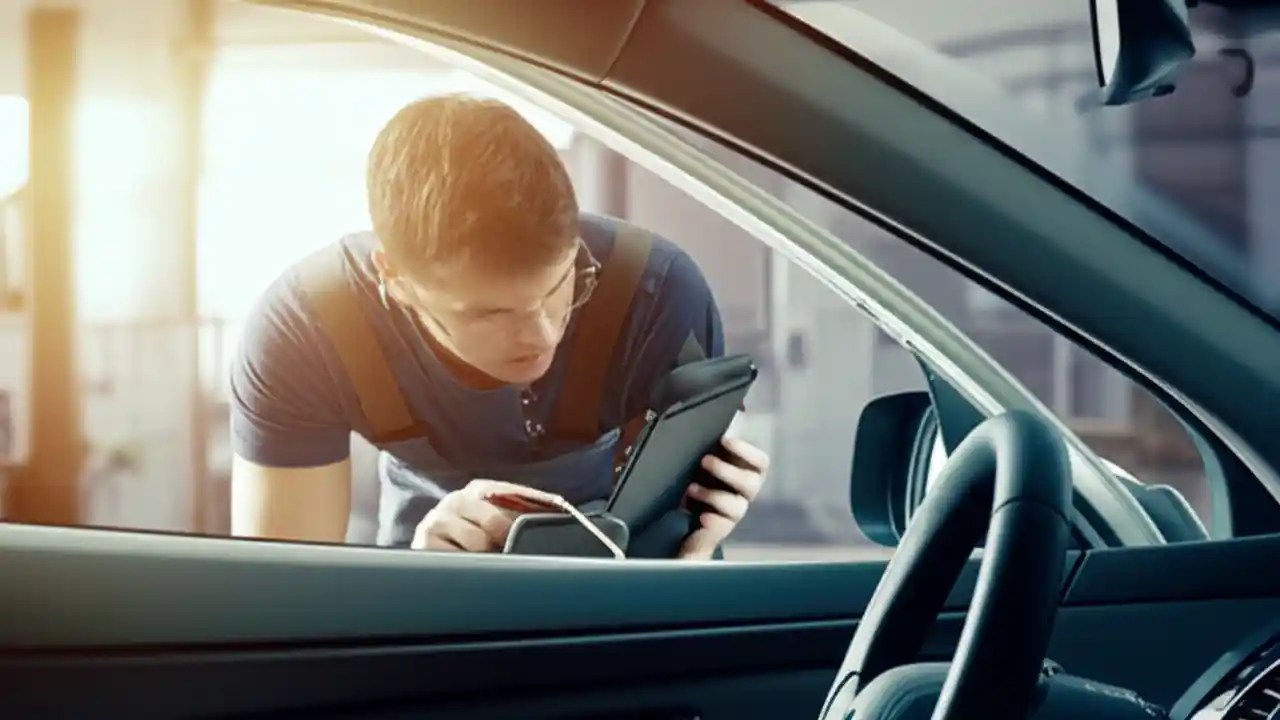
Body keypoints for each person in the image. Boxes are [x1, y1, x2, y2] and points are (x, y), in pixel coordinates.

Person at [228, 94, 769, 560]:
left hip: (616, 569)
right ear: (394, 278)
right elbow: (282, 591)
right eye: (488, 314)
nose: (543, 336)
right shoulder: (309, 329)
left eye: (563, 287)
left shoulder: (656, 289)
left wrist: (703, 525)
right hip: (427, 565)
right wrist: (422, 578)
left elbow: (675, 564)